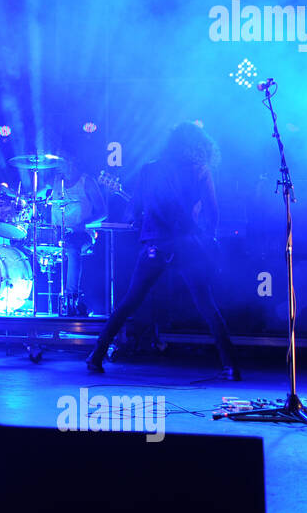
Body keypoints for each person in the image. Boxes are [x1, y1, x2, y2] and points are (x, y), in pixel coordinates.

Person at [84, 122, 239, 380]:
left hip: (156, 244)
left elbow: (133, 211)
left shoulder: (149, 169)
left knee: (130, 301)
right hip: (188, 245)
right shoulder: (200, 170)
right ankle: (231, 366)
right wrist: (210, 240)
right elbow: (213, 212)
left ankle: (96, 355)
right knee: (206, 304)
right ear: (199, 146)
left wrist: (142, 217)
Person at [45, 156, 106, 316]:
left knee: (72, 247)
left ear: (71, 161)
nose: (57, 165)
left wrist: (84, 223)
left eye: (60, 161)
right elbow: (32, 194)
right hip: (57, 233)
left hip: (82, 234)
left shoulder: (87, 182)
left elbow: (103, 212)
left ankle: (72, 299)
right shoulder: (55, 181)